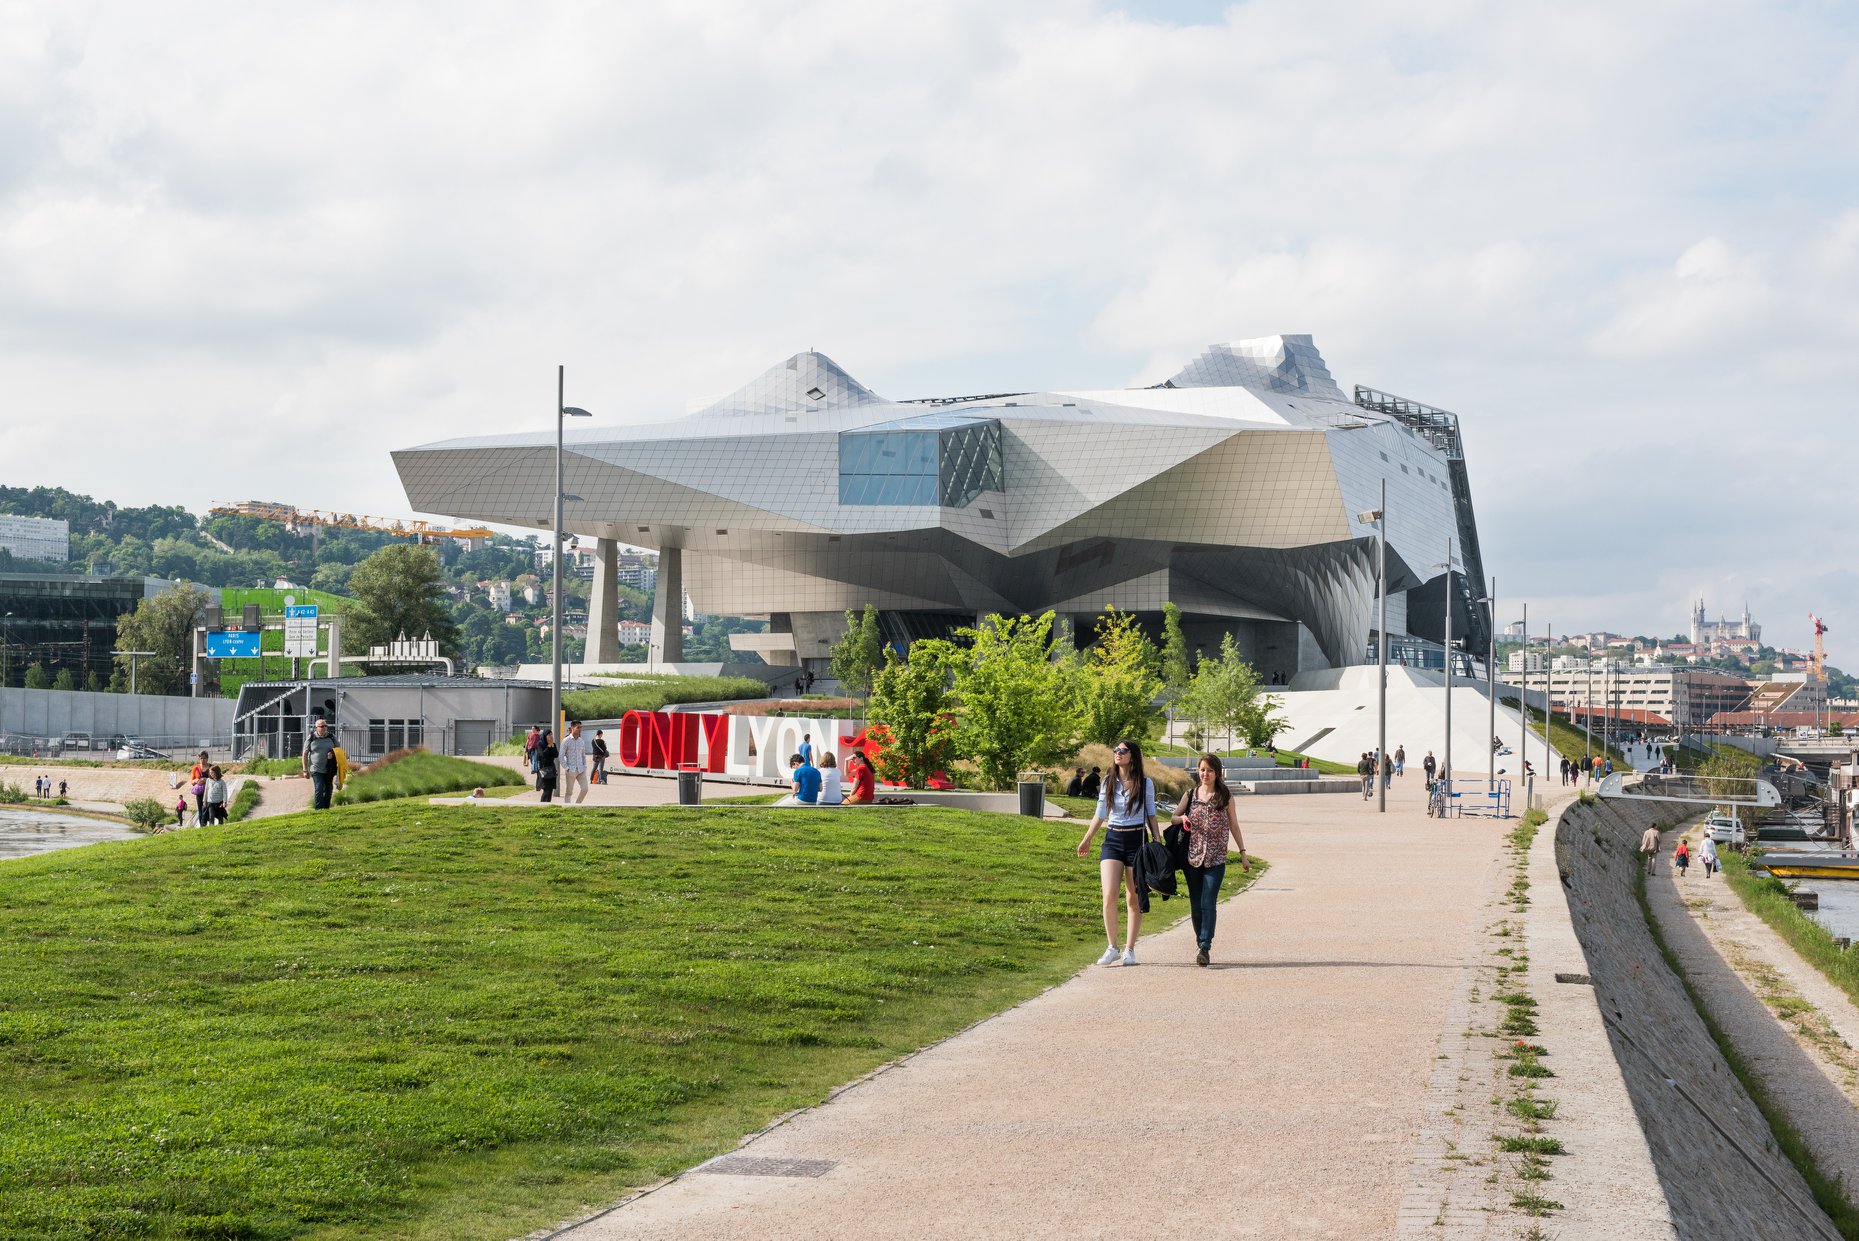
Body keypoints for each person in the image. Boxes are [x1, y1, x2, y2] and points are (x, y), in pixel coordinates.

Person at [1075, 739, 1160, 967]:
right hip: (1113, 839)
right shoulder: (1108, 781)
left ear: (1133, 755)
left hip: (1136, 840)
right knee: (1109, 895)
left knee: (1133, 897)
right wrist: (1087, 839)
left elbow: (1151, 814)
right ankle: (1112, 947)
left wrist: (1157, 842)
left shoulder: (1145, 783)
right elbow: (1100, 813)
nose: (1118, 753)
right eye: (1116, 750)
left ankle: (1130, 949)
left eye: (1123, 751)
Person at [1169, 754, 1251, 967]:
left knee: (1208, 902)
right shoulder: (1190, 794)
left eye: (1210, 770)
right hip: (1193, 858)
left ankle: (1205, 945)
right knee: (1196, 904)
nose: (1205, 774)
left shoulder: (1225, 796)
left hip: (1216, 858)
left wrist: (1243, 853)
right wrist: (1182, 818)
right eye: (1202, 769)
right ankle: (1200, 942)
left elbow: (1234, 825)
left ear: (1217, 773)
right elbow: (1173, 817)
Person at [302, 718, 340, 811]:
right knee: (319, 787)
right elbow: (305, 754)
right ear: (316, 728)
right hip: (316, 769)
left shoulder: (331, 737)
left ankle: (326, 809)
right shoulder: (311, 737)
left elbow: (339, 751)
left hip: (329, 769)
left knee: (328, 789)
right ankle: (318, 810)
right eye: (322, 726)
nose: (324, 728)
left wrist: (333, 753)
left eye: (326, 726)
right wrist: (305, 770)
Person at [559, 720, 590, 804]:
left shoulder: (581, 741)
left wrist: (584, 766)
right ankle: (568, 807)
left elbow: (583, 755)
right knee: (569, 792)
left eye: (581, 727)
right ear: (572, 728)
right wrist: (567, 768)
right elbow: (561, 756)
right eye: (578, 727)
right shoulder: (566, 741)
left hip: (581, 769)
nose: (580, 729)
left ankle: (577, 805)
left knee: (585, 789)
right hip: (571, 770)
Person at [535, 729, 559, 803]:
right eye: (549, 735)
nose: (551, 736)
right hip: (544, 770)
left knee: (550, 789)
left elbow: (556, 755)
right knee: (546, 789)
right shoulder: (540, 744)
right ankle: (542, 805)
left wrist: (552, 746)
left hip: (551, 769)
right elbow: (542, 755)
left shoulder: (553, 744)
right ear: (545, 736)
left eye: (551, 734)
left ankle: (548, 804)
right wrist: (548, 746)